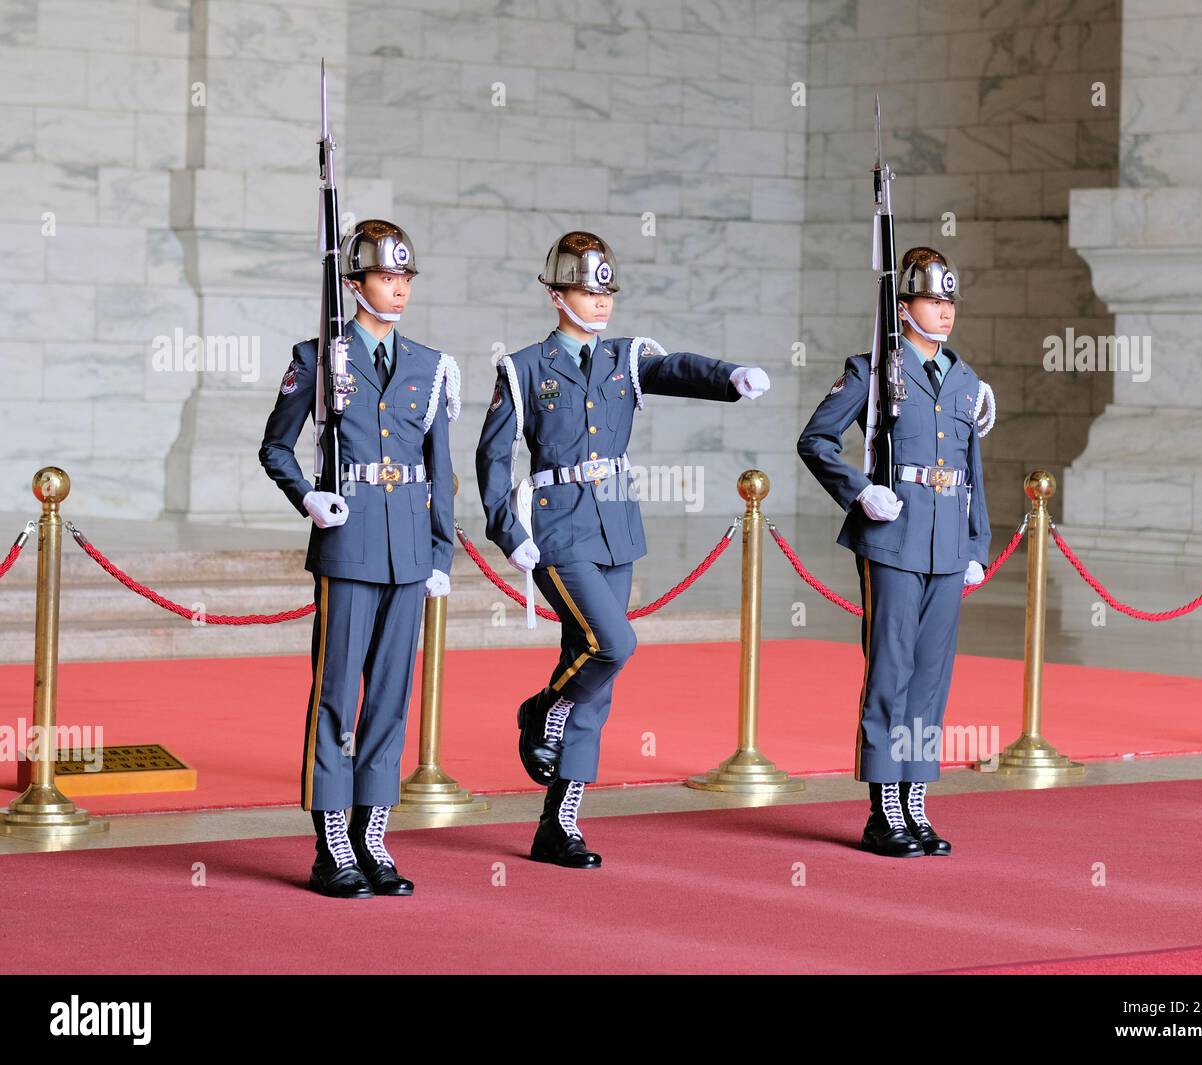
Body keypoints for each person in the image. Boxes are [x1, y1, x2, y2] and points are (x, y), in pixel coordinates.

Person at [476, 230, 771, 868]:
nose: (601, 301)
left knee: (598, 679)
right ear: (556, 294)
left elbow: (674, 368)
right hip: (558, 530)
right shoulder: (523, 368)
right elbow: (493, 458)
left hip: (616, 526)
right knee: (613, 645)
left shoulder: (624, 357)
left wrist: (730, 378)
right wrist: (510, 532)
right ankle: (541, 708)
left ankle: (560, 822)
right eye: (587, 289)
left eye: (607, 290)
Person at [259, 219, 459, 897]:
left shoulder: (431, 367)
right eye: (384, 277)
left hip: (408, 552)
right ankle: (331, 842)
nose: (397, 290)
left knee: (392, 702)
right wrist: (308, 498)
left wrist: (441, 551)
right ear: (353, 284)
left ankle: (374, 836)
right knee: (336, 696)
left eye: (405, 279)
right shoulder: (318, 358)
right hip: (347, 546)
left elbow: (441, 469)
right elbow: (276, 448)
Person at [797, 247, 992, 858]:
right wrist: (860, 491)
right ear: (902, 308)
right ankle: (883, 807)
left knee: (932, 679)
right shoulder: (872, 373)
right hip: (894, 538)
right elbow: (816, 439)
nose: (945, 311)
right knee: (891, 670)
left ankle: (915, 800)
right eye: (933, 300)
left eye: (950, 300)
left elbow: (971, 473)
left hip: (946, 544)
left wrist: (977, 543)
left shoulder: (965, 380)